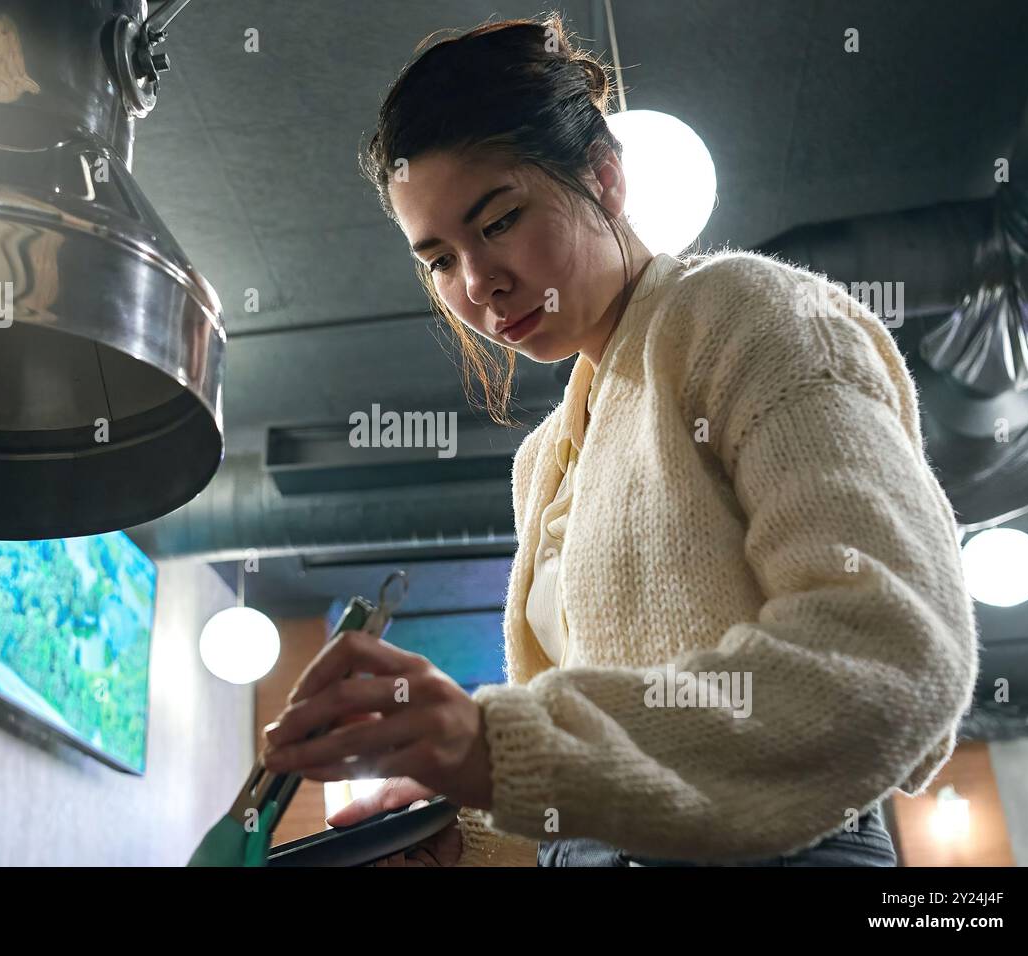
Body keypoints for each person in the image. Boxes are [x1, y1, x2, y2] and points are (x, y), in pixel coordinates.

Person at [258, 12, 978, 867]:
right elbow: (610, 788)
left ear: (605, 179)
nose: (479, 283)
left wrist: (494, 747)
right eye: (439, 259)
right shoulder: (545, 461)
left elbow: (892, 655)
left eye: (497, 221)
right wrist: (468, 831)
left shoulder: (749, 314)